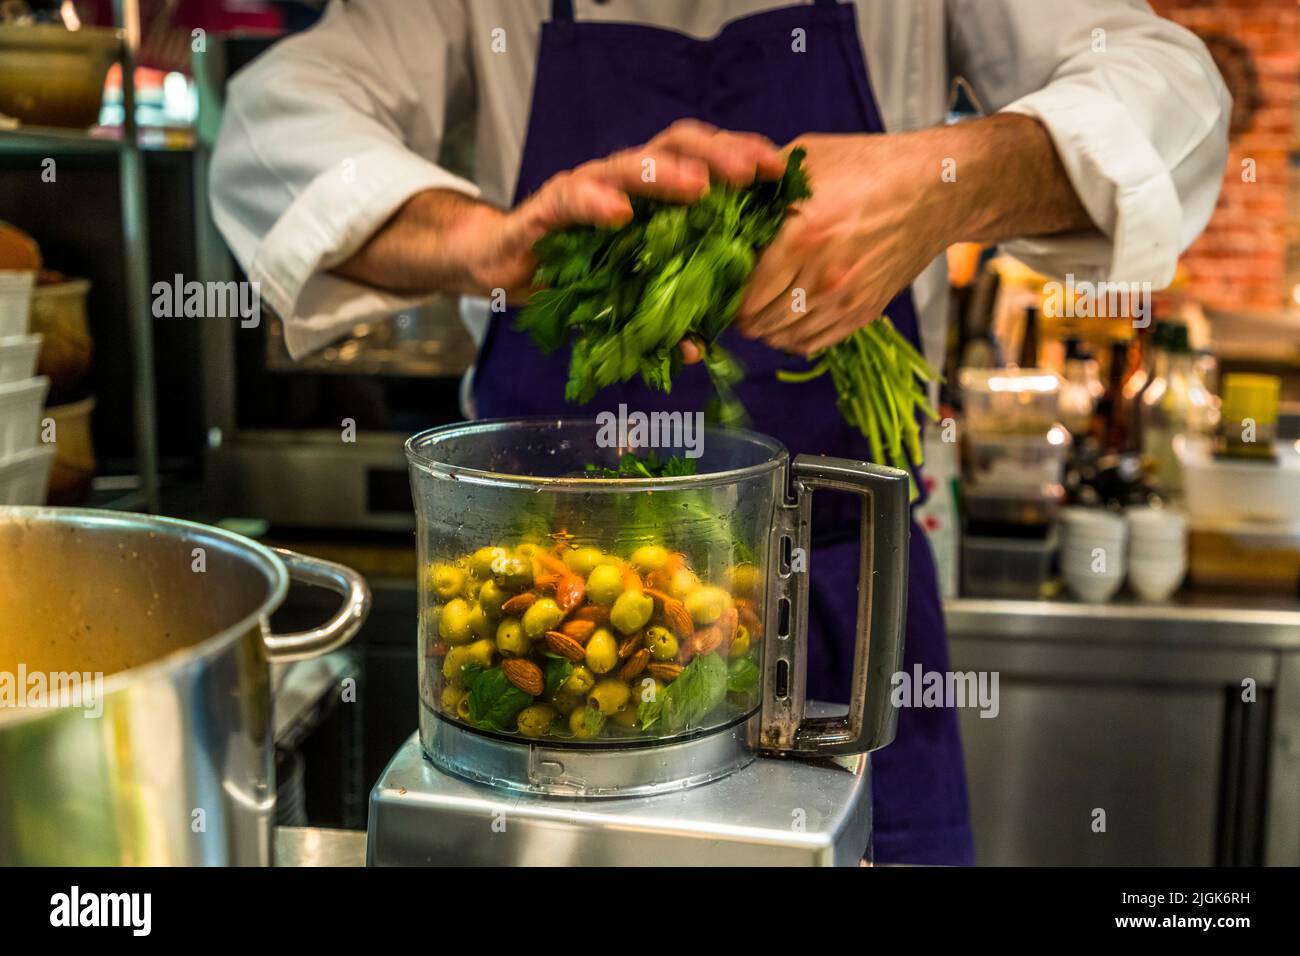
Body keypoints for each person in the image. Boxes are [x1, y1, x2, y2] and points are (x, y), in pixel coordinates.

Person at [211, 0, 1229, 865]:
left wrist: (939, 180)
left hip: (843, 610)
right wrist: (482, 238)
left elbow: (1165, 93)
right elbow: (278, 117)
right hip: (547, 599)